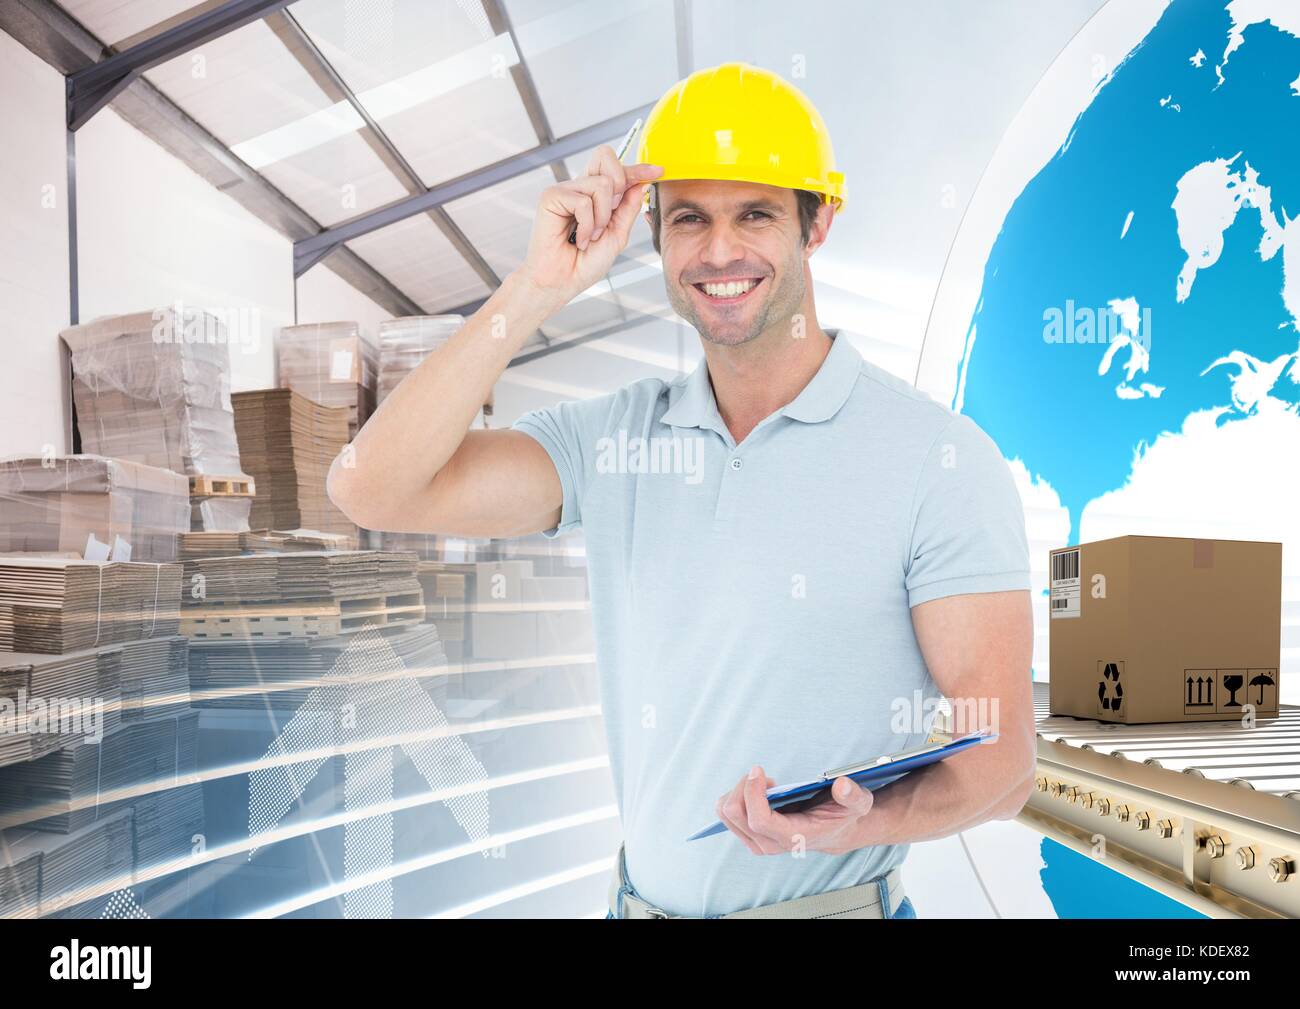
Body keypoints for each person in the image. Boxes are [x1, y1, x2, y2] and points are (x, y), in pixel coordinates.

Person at [328, 62, 1036, 919]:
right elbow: (372, 490)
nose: (720, 252)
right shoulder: (613, 441)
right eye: (689, 219)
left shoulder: (939, 460)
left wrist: (858, 822)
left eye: (756, 215)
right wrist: (535, 290)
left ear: (819, 225)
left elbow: (1002, 765)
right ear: (653, 235)